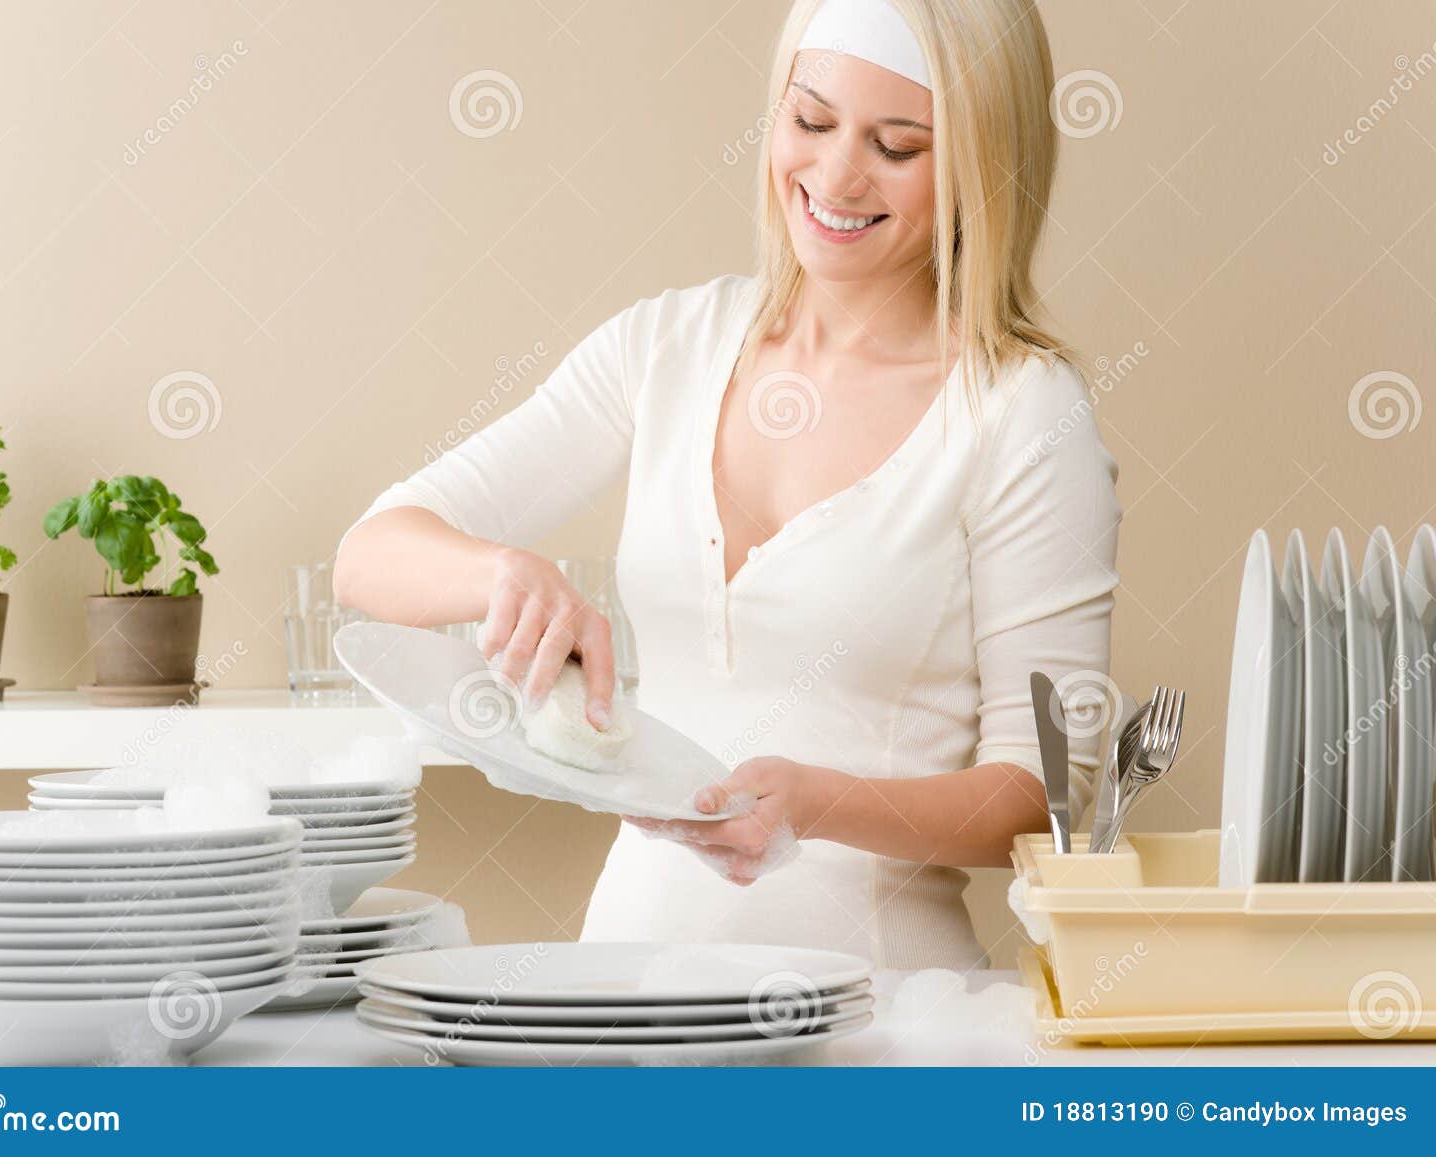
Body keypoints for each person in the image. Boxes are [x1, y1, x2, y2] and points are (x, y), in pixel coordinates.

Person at [333, 0, 1120, 969]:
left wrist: (818, 800)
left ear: (978, 167)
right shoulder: (667, 345)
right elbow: (369, 555)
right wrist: (501, 574)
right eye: (811, 121)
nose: (834, 176)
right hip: (622, 995)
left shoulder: (1022, 415)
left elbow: (1042, 792)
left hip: (883, 1025)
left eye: (897, 145)